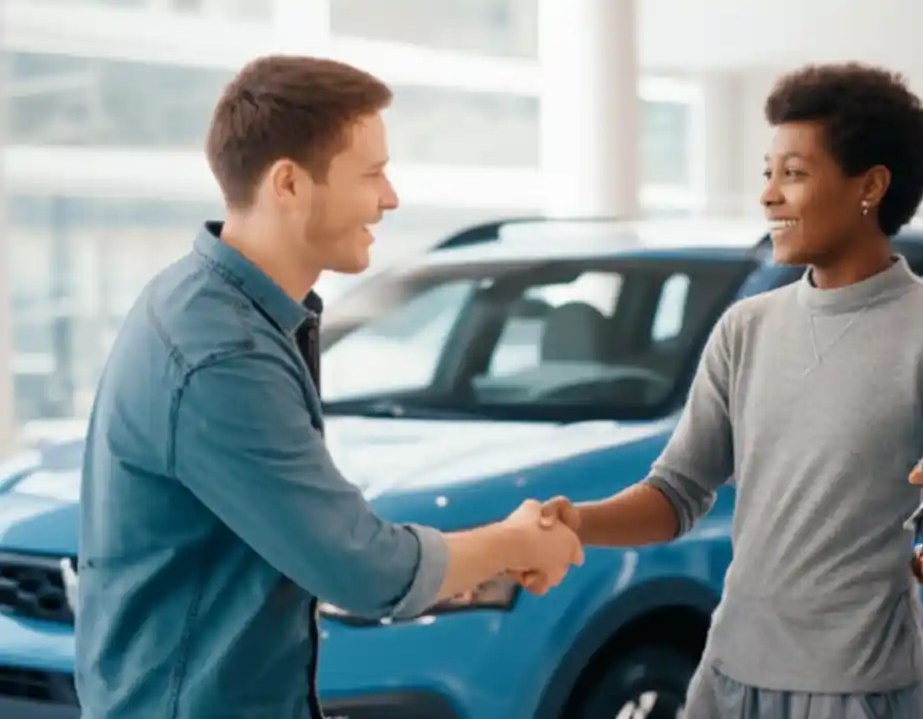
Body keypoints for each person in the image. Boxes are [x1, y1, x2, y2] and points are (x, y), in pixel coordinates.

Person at [74, 55, 583, 719]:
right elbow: (366, 572)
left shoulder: (214, 306)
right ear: (288, 183)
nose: (390, 198)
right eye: (371, 174)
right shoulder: (221, 352)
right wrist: (514, 542)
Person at [532, 62, 923, 719]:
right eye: (767, 173)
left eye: (792, 173)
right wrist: (579, 521)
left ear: (870, 186)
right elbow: (677, 492)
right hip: (729, 684)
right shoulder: (745, 329)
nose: (768, 196)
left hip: (865, 694)